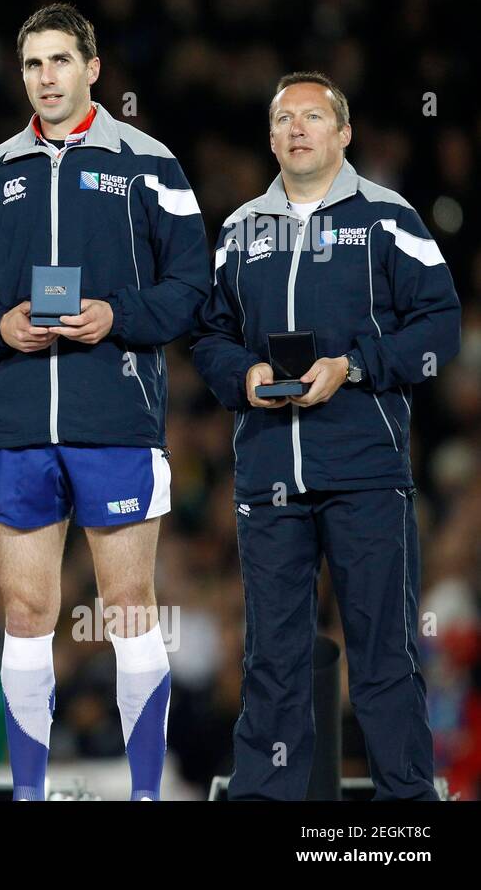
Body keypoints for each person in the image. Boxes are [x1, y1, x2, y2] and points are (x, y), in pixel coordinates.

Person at [0, 4, 210, 801]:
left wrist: (116, 316)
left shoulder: (149, 163)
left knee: (129, 606)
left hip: (114, 415)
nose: (46, 77)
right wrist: (0, 323)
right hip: (19, 422)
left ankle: (144, 793)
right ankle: (27, 791)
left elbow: (192, 285)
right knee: (27, 611)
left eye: (60, 61)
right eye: (32, 64)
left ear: (92, 68)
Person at [191, 72, 461, 800]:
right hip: (269, 477)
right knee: (272, 658)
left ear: (344, 134)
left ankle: (406, 808)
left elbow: (440, 328)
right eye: (284, 118)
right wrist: (242, 375)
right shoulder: (241, 228)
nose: (298, 128)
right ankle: (266, 798)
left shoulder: (389, 217)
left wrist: (358, 366)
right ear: (272, 137)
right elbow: (209, 336)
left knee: (384, 654)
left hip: (366, 471)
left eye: (314, 116)